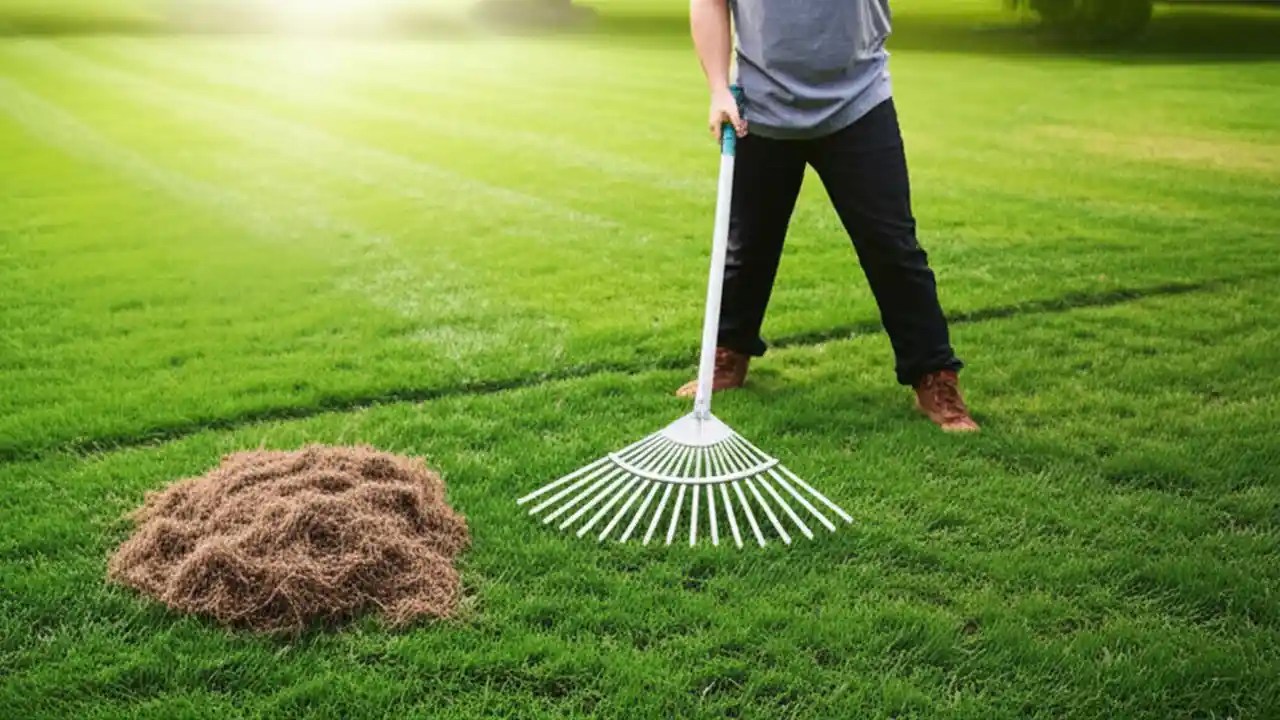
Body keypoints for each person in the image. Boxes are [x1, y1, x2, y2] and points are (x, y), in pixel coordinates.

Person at [679, 0, 979, 432]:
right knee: (748, 246)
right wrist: (717, 89)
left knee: (893, 247)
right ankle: (728, 354)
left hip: (859, 99)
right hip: (763, 109)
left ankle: (934, 376)